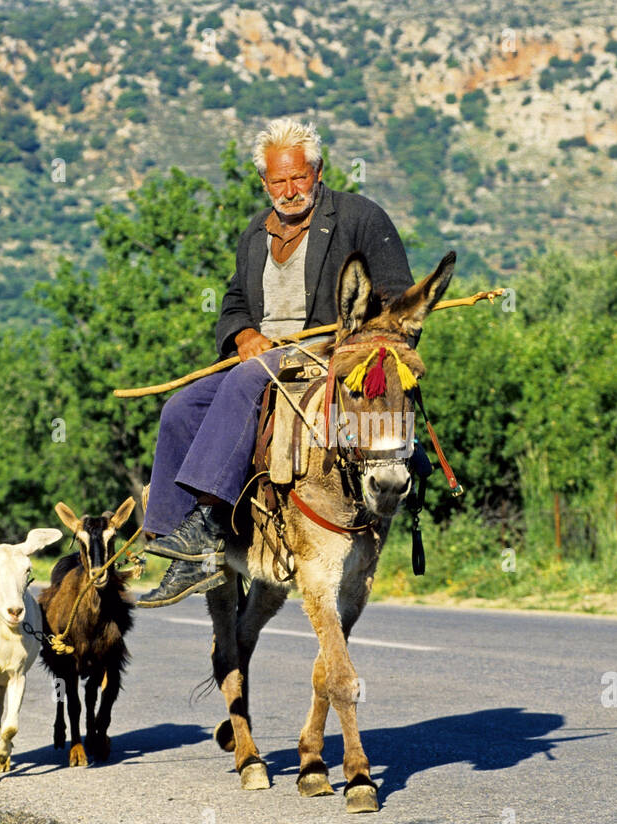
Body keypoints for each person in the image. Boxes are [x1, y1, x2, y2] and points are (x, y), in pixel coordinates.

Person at [137, 118, 414, 606]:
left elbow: (397, 302)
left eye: (298, 177)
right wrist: (243, 334)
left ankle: (208, 526)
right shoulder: (255, 234)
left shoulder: (359, 217)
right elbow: (233, 303)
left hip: (328, 356)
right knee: (179, 410)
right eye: (277, 181)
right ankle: (170, 541)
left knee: (249, 378)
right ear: (264, 183)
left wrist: (356, 338)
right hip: (262, 359)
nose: (289, 191)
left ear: (319, 171)